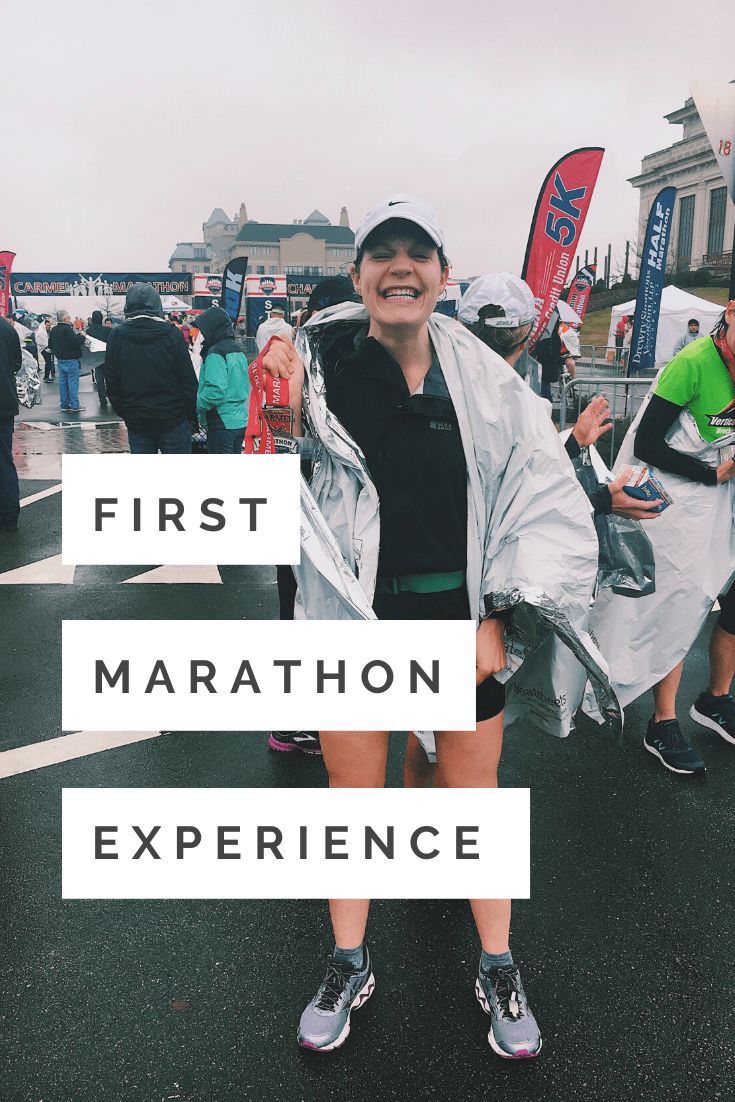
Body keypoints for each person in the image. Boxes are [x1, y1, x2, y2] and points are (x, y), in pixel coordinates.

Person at [257, 195, 603, 1058]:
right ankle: (348, 960)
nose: (399, 266)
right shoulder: (320, 371)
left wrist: (500, 615)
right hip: (354, 630)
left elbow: (539, 503)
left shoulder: (484, 386)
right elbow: (285, 499)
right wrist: (278, 384)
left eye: (418, 253)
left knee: (474, 806)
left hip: (458, 631)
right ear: (358, 275)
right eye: (382, 253)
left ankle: (496, 965)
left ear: (443, 277)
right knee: (352, 803)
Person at [588, 300, 735, 776]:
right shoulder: (693, 363)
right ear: (730, 312)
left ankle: (714, 701)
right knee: (675, 604)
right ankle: (662, 721)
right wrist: (710, 474)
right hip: (678, 505)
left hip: (719, 508)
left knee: (722, 602)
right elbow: (649, 442)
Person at [270, 277, 358, 757]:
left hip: (302, 514)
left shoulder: (300, 362)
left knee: (302, 612)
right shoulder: (292, 365)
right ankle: (300, 720)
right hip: (309, 515)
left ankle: (304, 718)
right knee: (312, 613)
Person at [103, 283, 198, 454]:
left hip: (138, 420)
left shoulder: (116, 336)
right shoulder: (172, 333)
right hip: (173, 418)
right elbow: (188, 380)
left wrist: (126, 413)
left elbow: (111, 381)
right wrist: (191, 416)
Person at [195, 307, 250, 453]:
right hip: (240, 421)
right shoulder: (239, 350)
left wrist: (198, 405)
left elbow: (215, 391)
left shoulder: (215, 353)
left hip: (221, 422)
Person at [0, 313, 22, 533]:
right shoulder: (8, 330)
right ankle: (9, 514)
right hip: (4, 402)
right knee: (4, 460)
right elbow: (17, 363)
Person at [48, 310, 86, 412]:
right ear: (65, 319)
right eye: (69, 317)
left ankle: (64, 404)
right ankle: (75, 405)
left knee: (63, 383)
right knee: (73, 383)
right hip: (71, 360)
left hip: (60, 360)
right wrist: (82, 336)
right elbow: (76, 342)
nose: (70, 319)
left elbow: (50, 345)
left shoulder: (54, 330)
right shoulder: (68, 329)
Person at [86, 309, 111, 408]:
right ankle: (112, 395)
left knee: (99, 378)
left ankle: (102, 397)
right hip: (107, 357)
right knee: (109, 378)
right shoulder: (108, 330)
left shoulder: (88, 331)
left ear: (92, 319)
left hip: (95, 359)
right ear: (101, 319)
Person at [35, 316, 54, 381]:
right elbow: (46, 343)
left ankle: (47, 376)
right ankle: (46, 377)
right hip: (44, 348)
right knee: (48, 362)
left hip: (43, 348)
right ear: (45, 324)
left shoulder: (42, 330)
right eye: (48, 325)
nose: (49, 327)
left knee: (49, 362)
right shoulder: (42, 332)